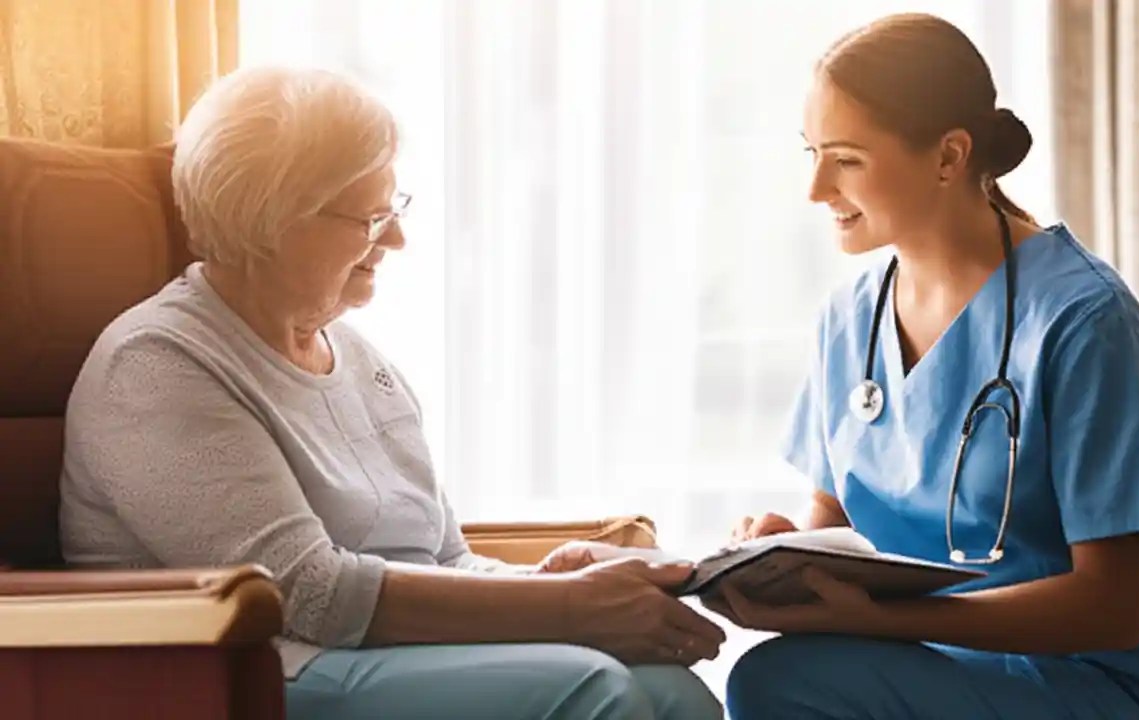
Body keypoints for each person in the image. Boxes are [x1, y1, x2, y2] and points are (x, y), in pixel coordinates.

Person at [59, 66, 724, 720]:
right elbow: (303, 593)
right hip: (258, 668)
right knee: (594, 689)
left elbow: (443, 558)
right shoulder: (156, 365)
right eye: (372, 218)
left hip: (365, 653)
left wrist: (550, 585)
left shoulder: (359, 361)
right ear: (273, 219)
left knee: (668, 690)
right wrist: (572, 610)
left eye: (393, 210)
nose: (397, 239)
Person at [711, 13, 1139, 720]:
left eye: (847, 159)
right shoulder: (851, 317)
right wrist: (785, 554)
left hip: (1094, 682)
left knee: (781, 683)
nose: (817, 188)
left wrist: (873, 622)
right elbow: (834, 514)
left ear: (949, 156)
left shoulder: (1082, 321)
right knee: (772, 674)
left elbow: (1114, 608)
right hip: (939, 661)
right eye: (812, 153)